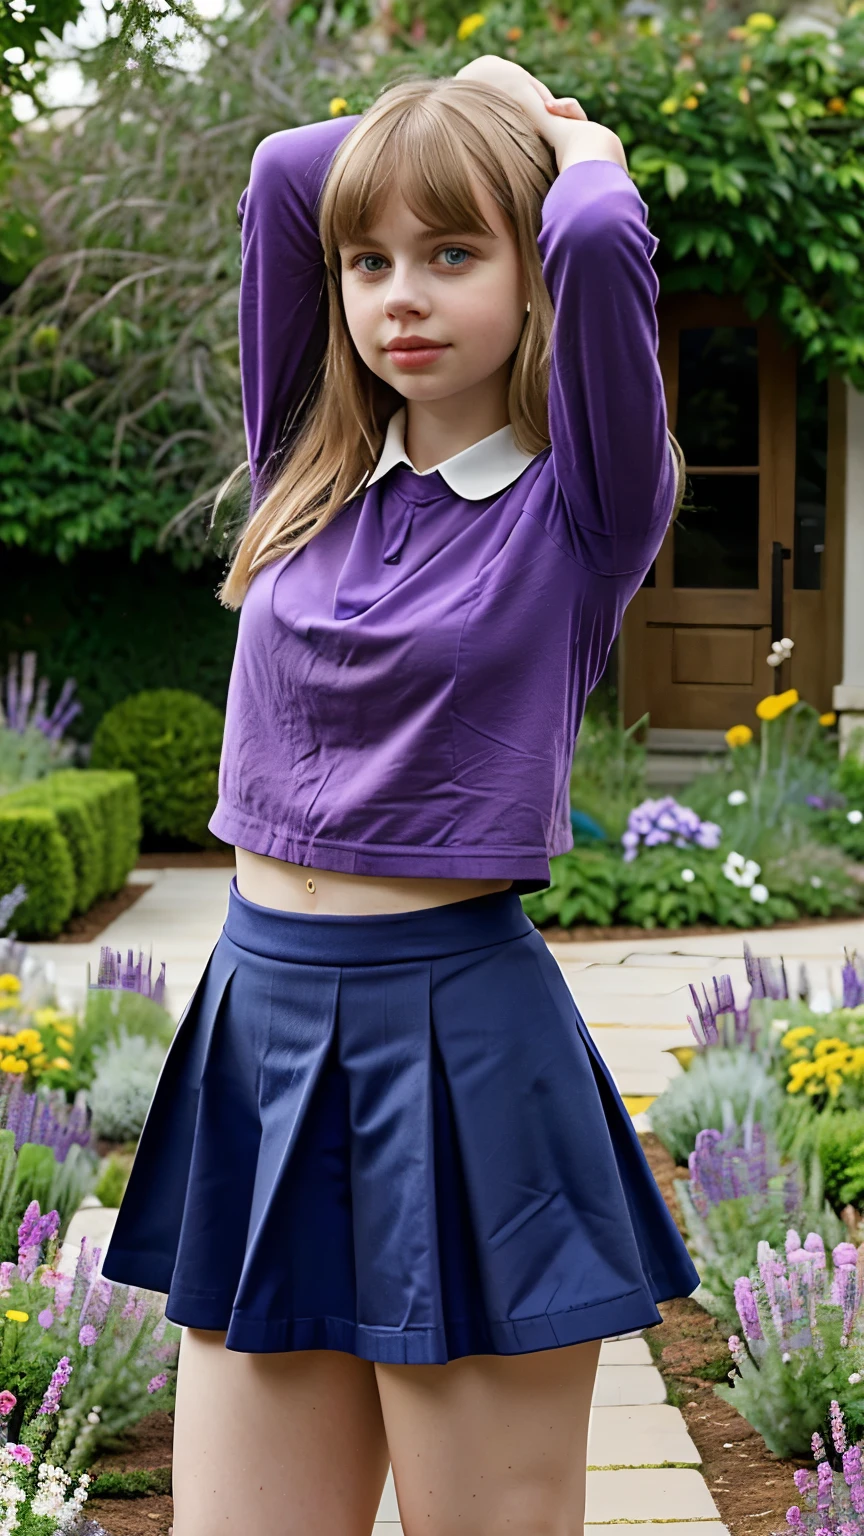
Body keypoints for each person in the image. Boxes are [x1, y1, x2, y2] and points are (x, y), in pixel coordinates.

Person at [102, 55, 698, 1536]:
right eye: (372, 266)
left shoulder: (587, 504)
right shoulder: (309, 467)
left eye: (452, 255)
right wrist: (456, 92)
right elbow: (285, 180)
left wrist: (571, 136)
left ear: (528, 271)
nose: (400, 299)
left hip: (462, 1050)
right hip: (261, 1030)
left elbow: (603, 242)